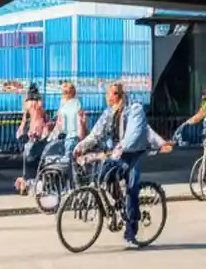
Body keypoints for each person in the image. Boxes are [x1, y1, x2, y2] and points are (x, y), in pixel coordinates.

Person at [75, 82, 173, 248]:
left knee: (131, 188)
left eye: (109, 94)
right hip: (116, 152)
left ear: (118, 96)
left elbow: (133, 134)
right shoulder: (109, 113)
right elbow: (96, 134)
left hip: (134, 152)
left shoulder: (134, 109)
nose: (107, 97)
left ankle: (131, 232)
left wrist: (121, 147)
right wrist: (81, 147)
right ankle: (118, 206)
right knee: (104, 176)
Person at [50, 82, 87, 186]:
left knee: (69, 164)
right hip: (74, 138)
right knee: (73, 163)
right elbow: (82, 122)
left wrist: (51, 136)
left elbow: (62, 125)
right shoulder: (75, 104)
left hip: (71, 138)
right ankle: (75, 185)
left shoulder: (68, 106)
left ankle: (71, 186)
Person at [16, 84, 50, 191]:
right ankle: (38, 180)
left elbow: (25, 119)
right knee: (39, 156)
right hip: (41, 129)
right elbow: (44, 117)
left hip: (32, 129)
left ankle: (26, 181)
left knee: (28, 155)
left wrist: (21, 130)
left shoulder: (27, 104)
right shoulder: (40, 103)